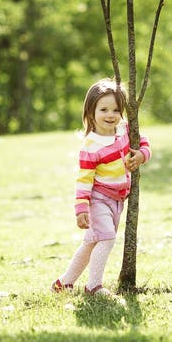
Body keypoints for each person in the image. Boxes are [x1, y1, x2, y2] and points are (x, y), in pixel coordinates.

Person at [51, 77, 151, 296]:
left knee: (90, 244)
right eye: (104, 109)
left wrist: (142, 155)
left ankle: (63, 283)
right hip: (98, 200)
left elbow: (143, 142)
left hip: (117, 201)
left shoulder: (123, 129)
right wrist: (81, 209)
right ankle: (93, 286)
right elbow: (84, 180)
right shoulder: (91, 145)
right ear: (91, 112)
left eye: (116, 110)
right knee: (106, 238)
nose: (110, 115)